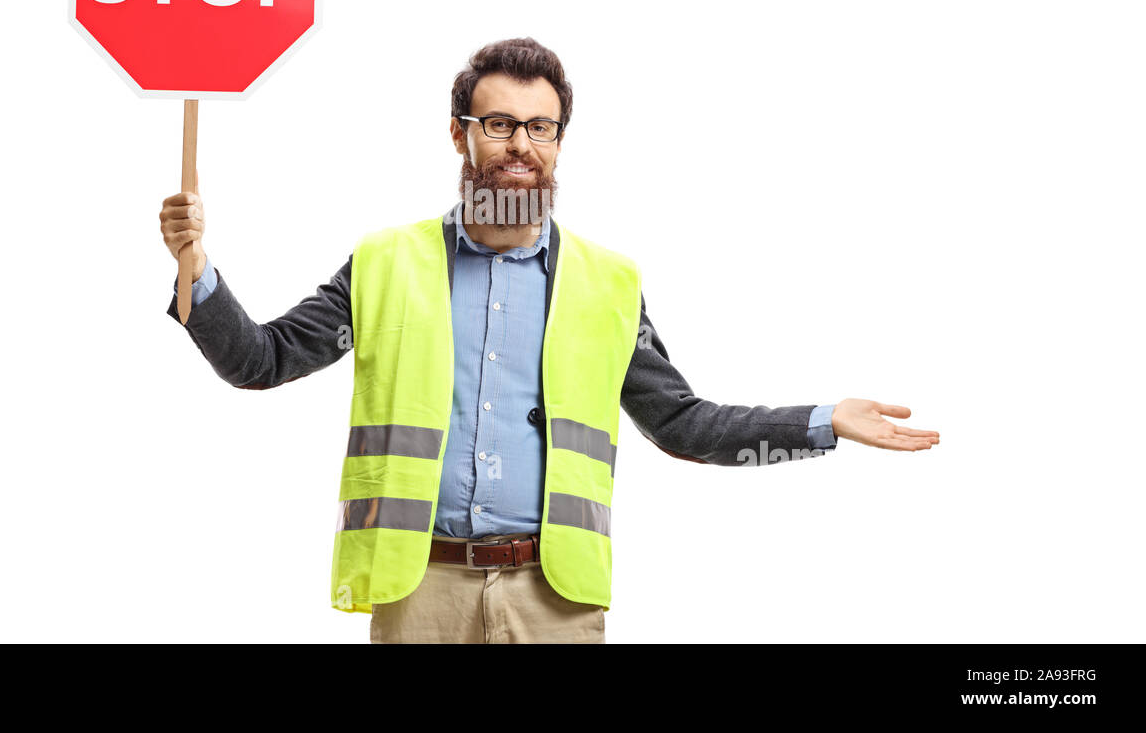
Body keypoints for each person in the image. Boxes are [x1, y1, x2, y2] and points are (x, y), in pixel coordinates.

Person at [160, 37, 939, 643]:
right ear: (461, 134)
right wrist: (195, 267)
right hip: (418, 590)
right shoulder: (383, 265)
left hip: (553, 599)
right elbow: (258, 363)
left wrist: (820, 423)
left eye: (540, 127)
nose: (520, 144)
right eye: (499, 124)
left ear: (561, 140)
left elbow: (683, 424)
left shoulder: (609, 284)